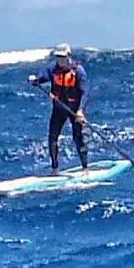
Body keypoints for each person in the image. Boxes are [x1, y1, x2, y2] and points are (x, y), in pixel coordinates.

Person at [28, 43, 89, 172]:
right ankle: (54, 169)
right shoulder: (52, 69)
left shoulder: (78, 71)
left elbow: (84, 92)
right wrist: (35, 80)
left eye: (63, 57)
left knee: (78, 138)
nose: (60, 60)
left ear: (68, 56)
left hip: (74, 110)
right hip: (59, 109)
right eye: (58, 57)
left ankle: (85, 167)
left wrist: (80, 111)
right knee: (52, 138)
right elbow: (42, 77)